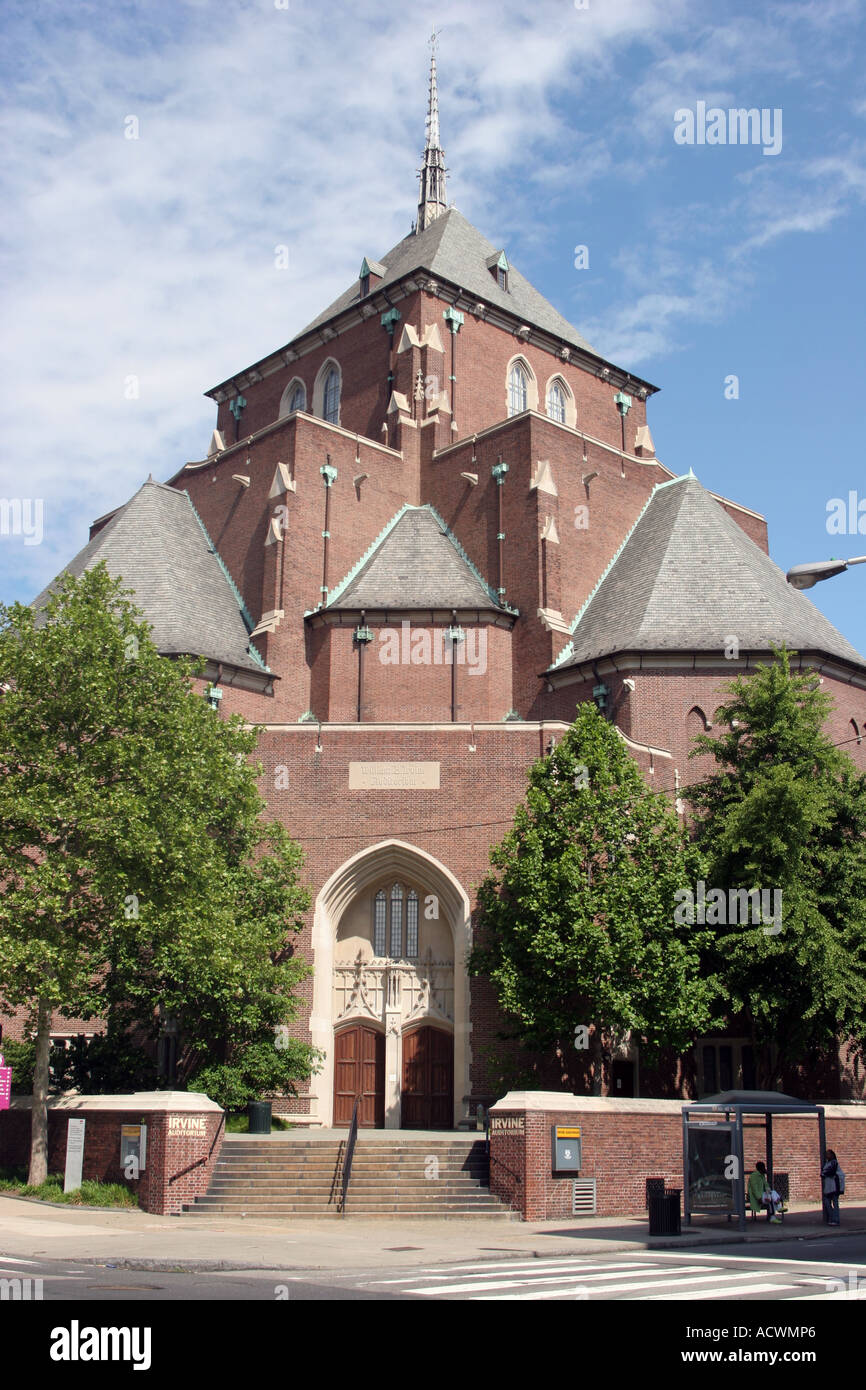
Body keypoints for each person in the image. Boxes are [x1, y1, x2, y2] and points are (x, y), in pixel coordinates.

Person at [822, 1149, 842, 1226]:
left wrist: (825, 1173)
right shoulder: (827, 1163)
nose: (827, 1156)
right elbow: (823, 1172)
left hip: (834, 1185)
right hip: (828, 1186)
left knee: (835, 1202)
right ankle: (832, 1217)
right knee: (827, 1202)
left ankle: (836, 1219)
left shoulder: (834, 1162)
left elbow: (831, 1172)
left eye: (828, 1154)